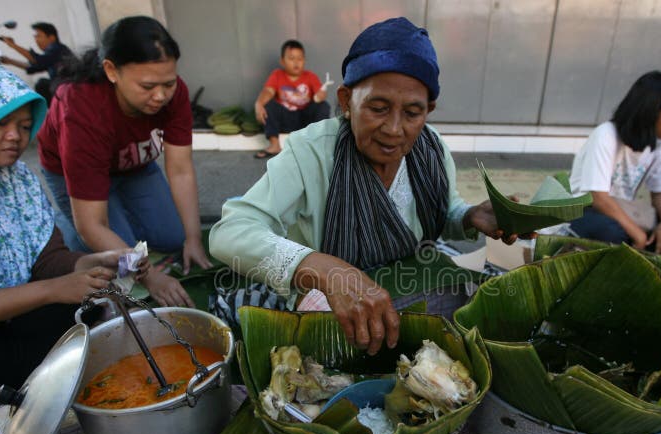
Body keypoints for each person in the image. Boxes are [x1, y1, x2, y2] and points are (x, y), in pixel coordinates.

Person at [210, 17, 521, 355]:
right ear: (346, 100)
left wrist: (470, 215)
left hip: (408, 272)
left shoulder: (432, 150)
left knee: (493, 290)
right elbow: (230, 231)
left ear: (428, 110)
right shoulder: (312, 151)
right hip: (331, 291)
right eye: (377, 108)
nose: (393, 129)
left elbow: (441, 214)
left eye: (413, 113)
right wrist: (323, 268)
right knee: (331, 342)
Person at [0, 55, 146, 408]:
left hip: (15, 318)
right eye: (1, 124)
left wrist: (98, 260)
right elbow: (46, 284)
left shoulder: (18, 181)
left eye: (22, 125)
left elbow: (49, 260)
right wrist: (51, 290)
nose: (15, 136)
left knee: (89, 309)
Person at [37, 16, 212, 308]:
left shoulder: (175, 93)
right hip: (75, 176)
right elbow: (93, 225)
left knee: (173, 236)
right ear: (111, 71)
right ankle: (65, 225)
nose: (160, 96)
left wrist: (193, 239)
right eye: (147, 86)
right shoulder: (81, 109)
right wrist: (152, 276)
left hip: (134, 166)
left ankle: (122, 214)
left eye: (168, 83)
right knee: (116, 258)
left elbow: (180, 170)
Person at [568, 71, 661, 257]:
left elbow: (660, 192)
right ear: (652, 111)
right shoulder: (606, 134)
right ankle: (640, 245)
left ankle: (635, 246)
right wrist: (637, 233)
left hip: (626, 212)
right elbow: (598, 198)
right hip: (587, 211)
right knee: (609, 231)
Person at [253, 39, 333, 159]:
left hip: (305, 120)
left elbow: (320, 94)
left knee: (323, 106)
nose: (296, 62)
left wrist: (321, 95)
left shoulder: (310, 76)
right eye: (291, 58)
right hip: (285, 119)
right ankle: (274, 145)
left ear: (304, 60)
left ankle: (317, 146)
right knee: (269, 104)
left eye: (300, 59)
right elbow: (268, 91)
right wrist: (259, 104)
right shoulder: (277, 75)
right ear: (282, 61)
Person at [0, 22, 73, 104]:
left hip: (68, 89)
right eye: (35, 37)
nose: (36, 40)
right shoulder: (51, 55)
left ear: (51, 37)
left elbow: (37, 60)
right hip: (64, 89)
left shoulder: (57, 49)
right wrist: (10, 61)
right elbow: (33, 66)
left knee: (42, 84)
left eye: (39, 36)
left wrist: (13, 45)